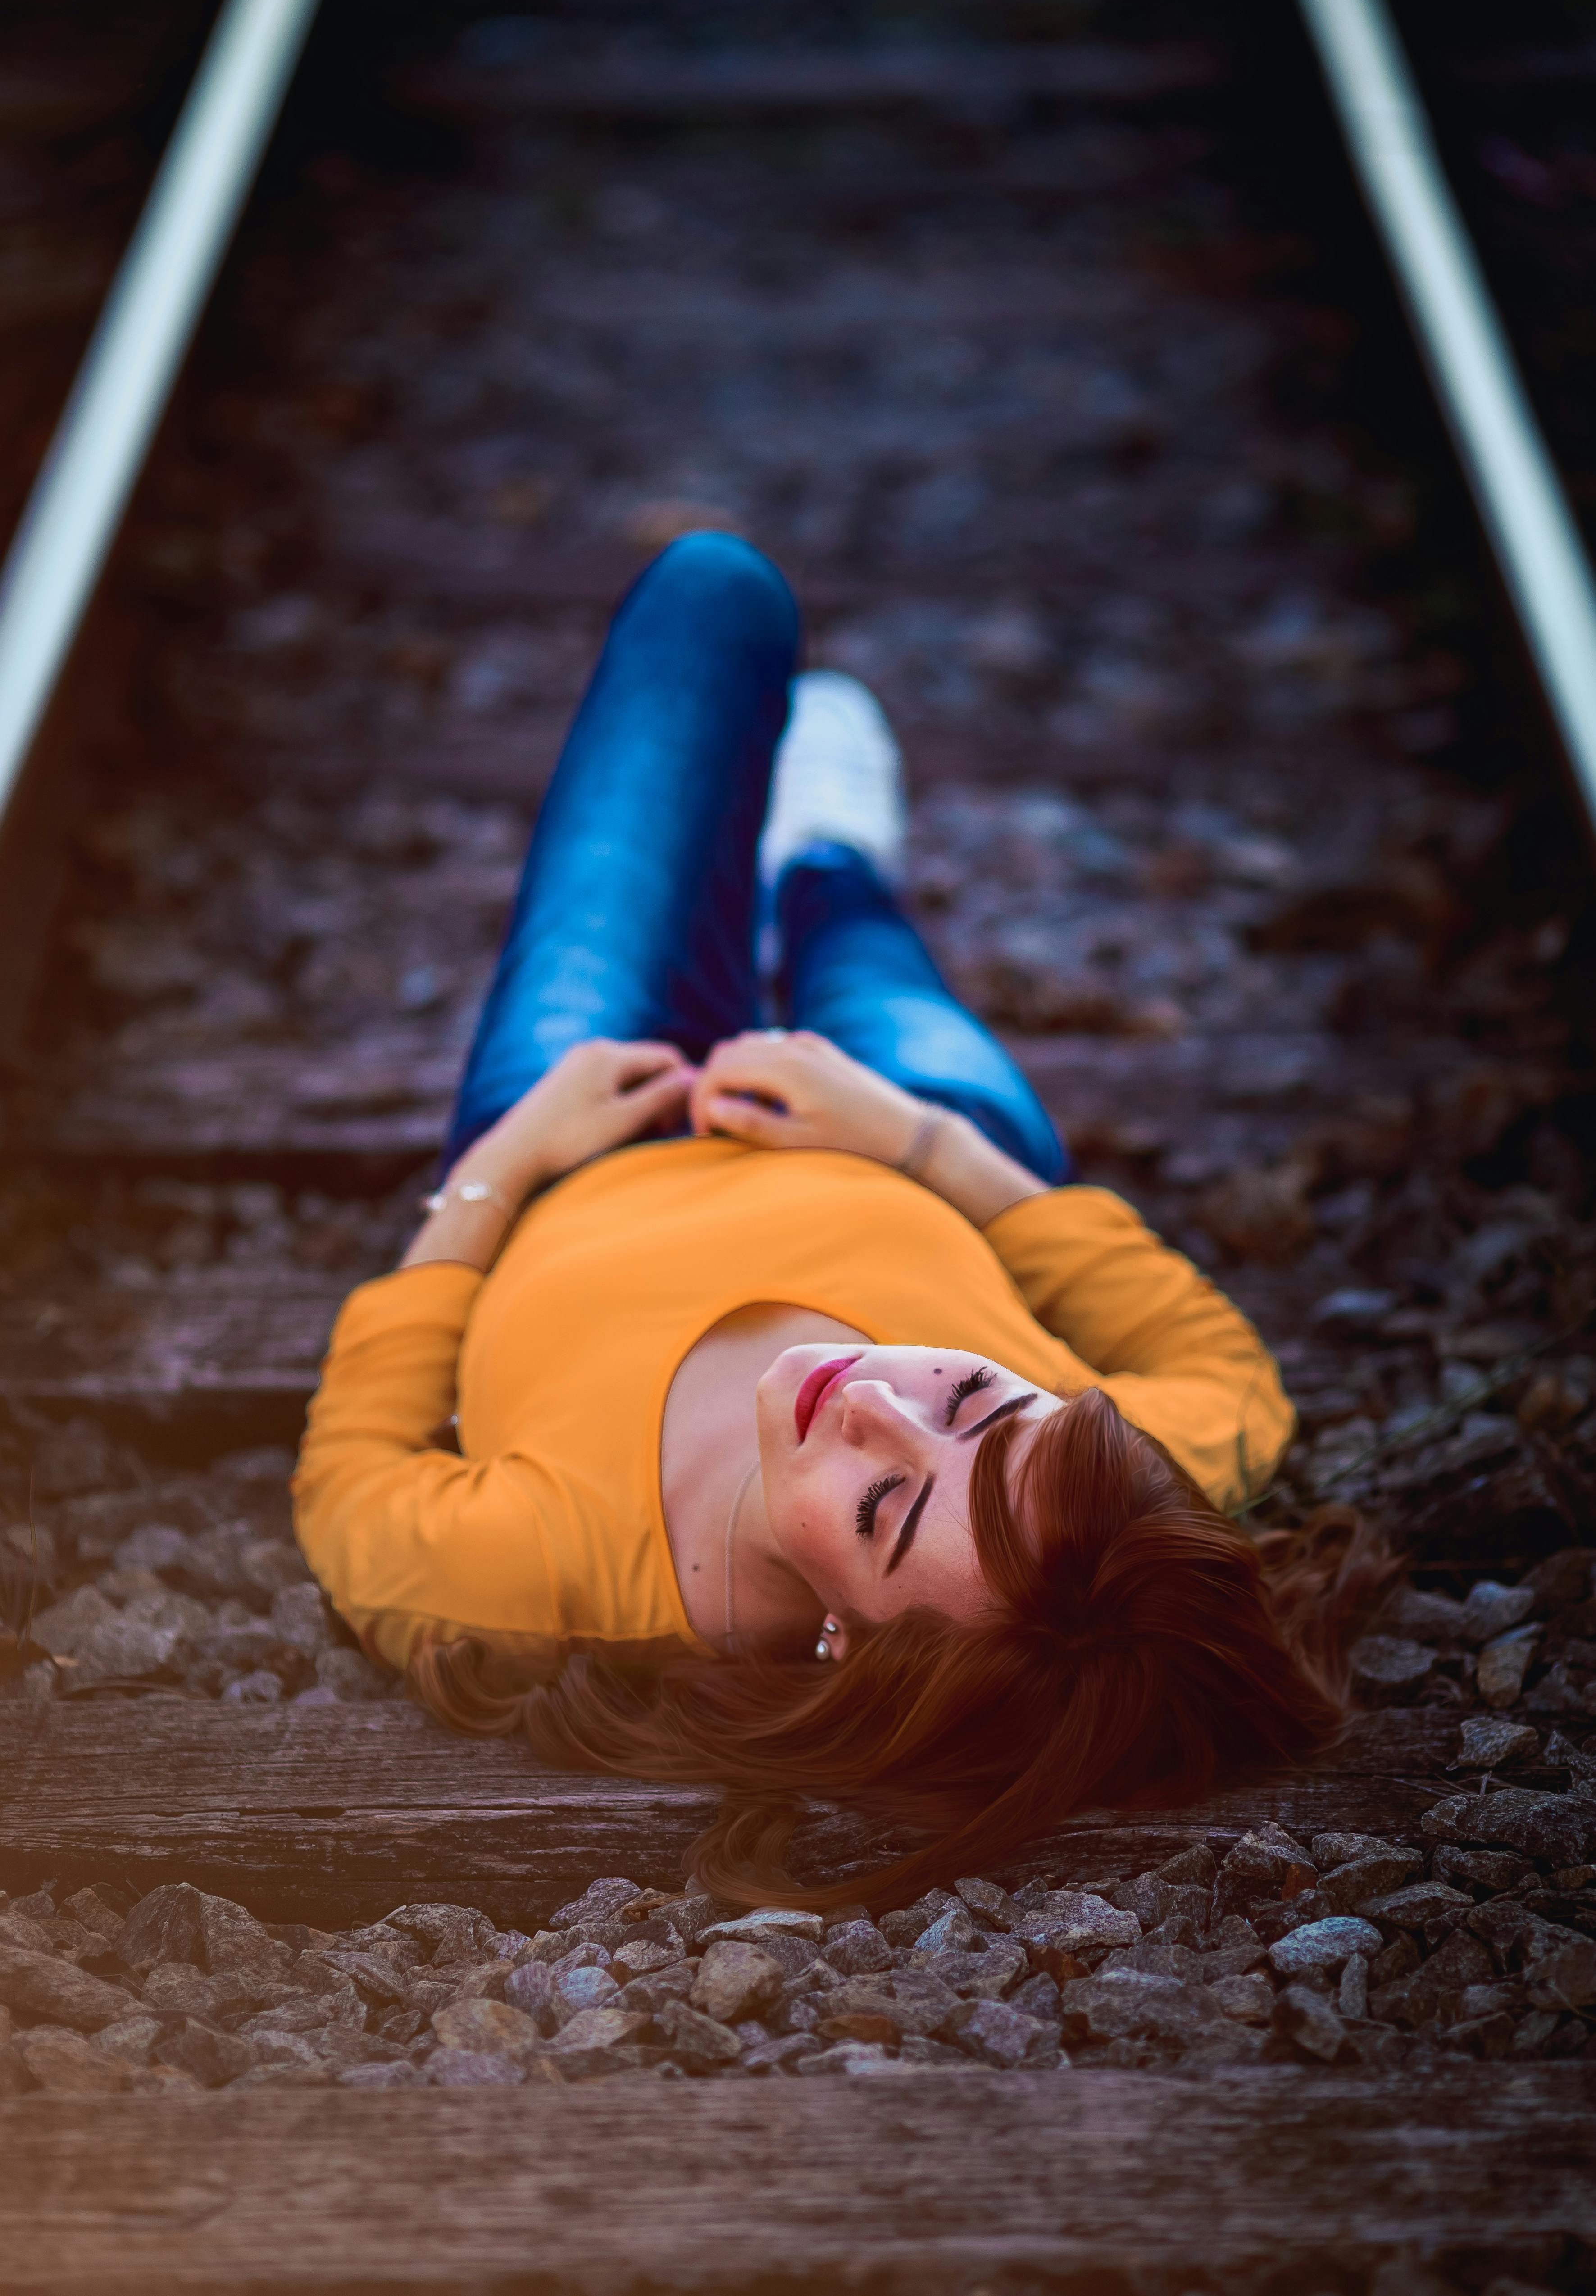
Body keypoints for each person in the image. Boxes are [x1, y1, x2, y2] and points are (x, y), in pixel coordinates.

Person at [293, 532, 1390, 1908]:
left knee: (713, 594)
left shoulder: (538, 1574)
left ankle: (801, 876)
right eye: (979, 1398)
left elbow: (349, 1477)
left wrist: (501, 1170)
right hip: (898, 1124)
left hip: (584, 1128)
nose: (876, 1397)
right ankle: (828, 863)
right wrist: (916, 1137)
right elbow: (1236, 1378)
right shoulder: (1096, 1504)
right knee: (871, 961)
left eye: (880, 1506)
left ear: (843, 1648)